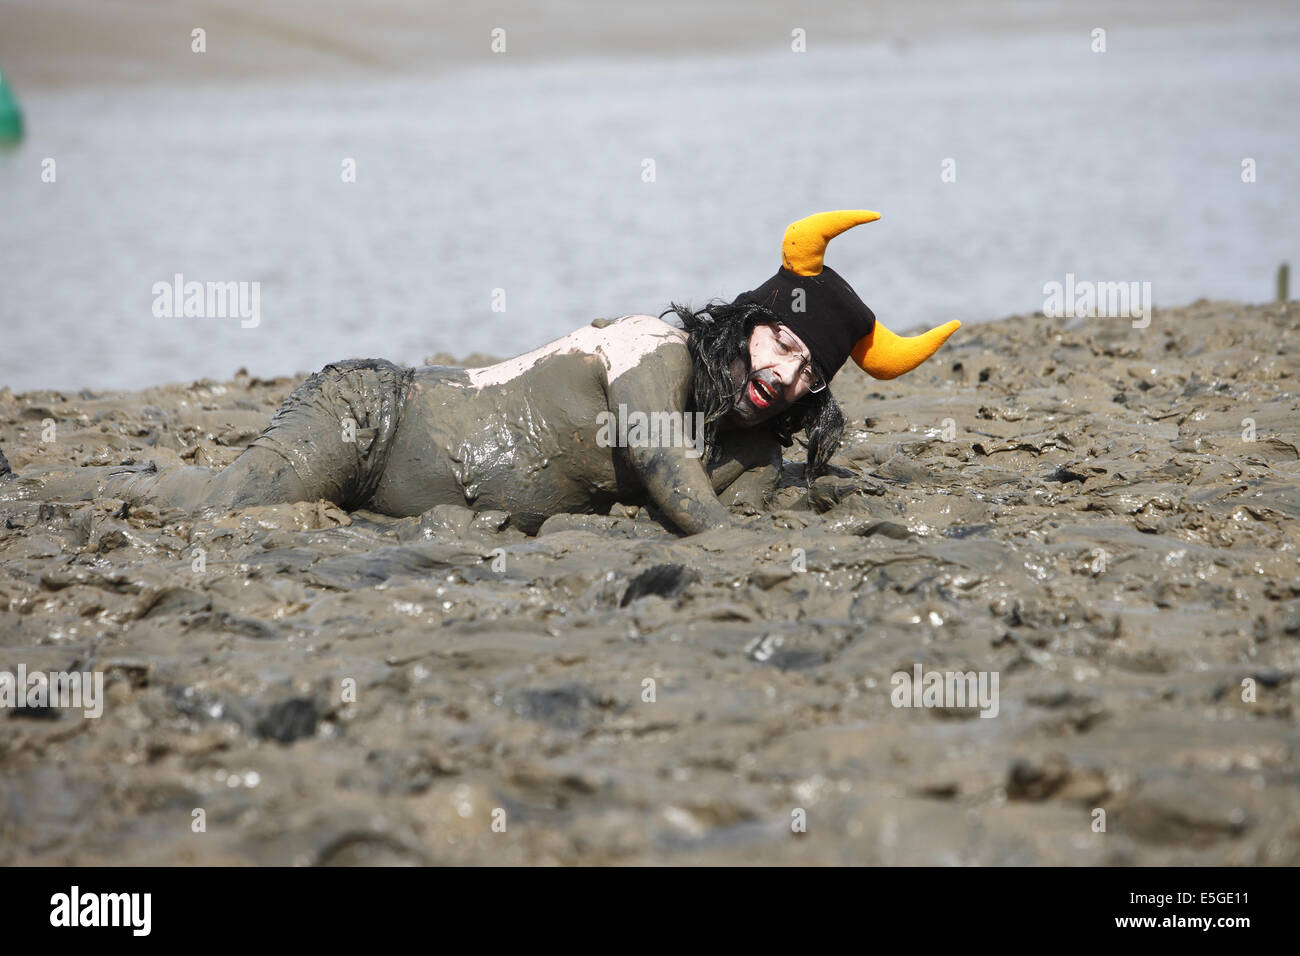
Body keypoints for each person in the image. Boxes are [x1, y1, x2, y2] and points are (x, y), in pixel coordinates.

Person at [0, 210, 959, 535]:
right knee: (212, 507)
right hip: (376, 414)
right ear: (752, 321)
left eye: (806, 372)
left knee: (231, 511)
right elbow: (679, 494)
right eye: (778, 344)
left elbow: (760, 494)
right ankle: (43, 488)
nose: (783, 374)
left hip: (394, 485)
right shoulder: (647, 352)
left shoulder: (738, 430)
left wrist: (826, 494)